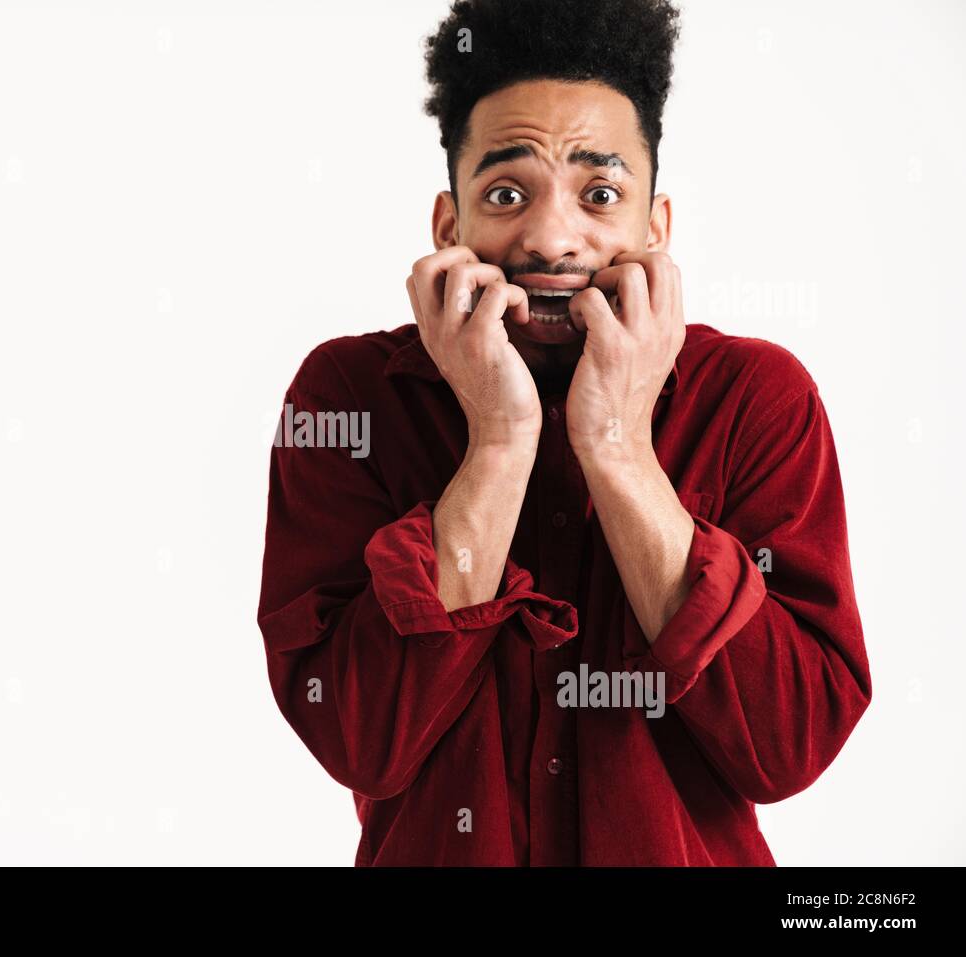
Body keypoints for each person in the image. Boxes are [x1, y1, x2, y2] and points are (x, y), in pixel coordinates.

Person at [257, 0, 872, 866]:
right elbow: (360, 739)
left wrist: (618, 447)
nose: (550, 239)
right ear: (449, 225)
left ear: (654, 227)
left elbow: (789, 745)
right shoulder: (345, 399)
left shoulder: (757, 399)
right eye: (507, 193)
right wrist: (500, 441)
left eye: (601, 194)